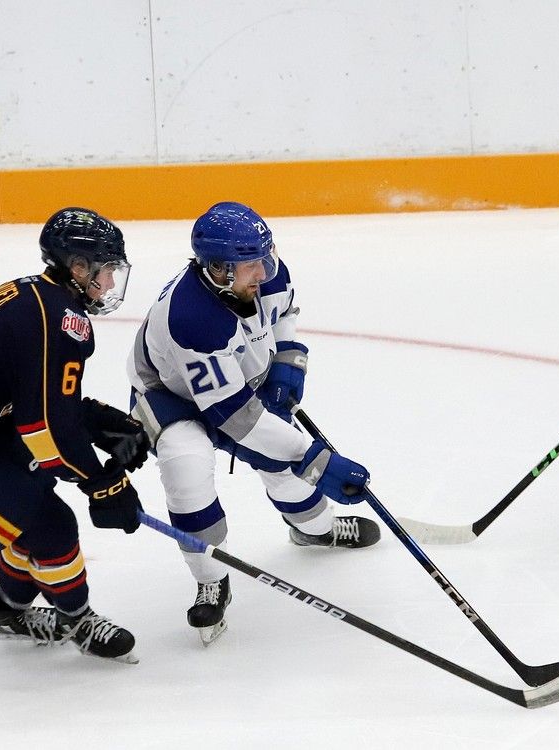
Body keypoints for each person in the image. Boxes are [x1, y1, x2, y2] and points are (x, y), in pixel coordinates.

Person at [127, 201, 379, 645]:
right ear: (219, 270)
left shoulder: (265, 270)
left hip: (239, 381)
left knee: (283, 466)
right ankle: (211, 578)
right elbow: (236, 419)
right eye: (249, 267)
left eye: (265, 258)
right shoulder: (192, 318)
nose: (263, 273)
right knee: (187, 471)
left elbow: (285, 315)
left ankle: (315, 530)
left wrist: (287, 362)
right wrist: (316, 459)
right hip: (170, 398)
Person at [0, 207, 150, 661]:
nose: (110, 284)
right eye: (106, 272)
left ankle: (10, 611)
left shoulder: (37, 295)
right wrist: (99, 480)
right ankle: (77, 618)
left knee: (34, 498)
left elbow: (35, 398)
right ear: (77, 268)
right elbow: (42, 427)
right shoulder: (62, 319)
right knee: (51, 523)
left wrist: (93, 421)